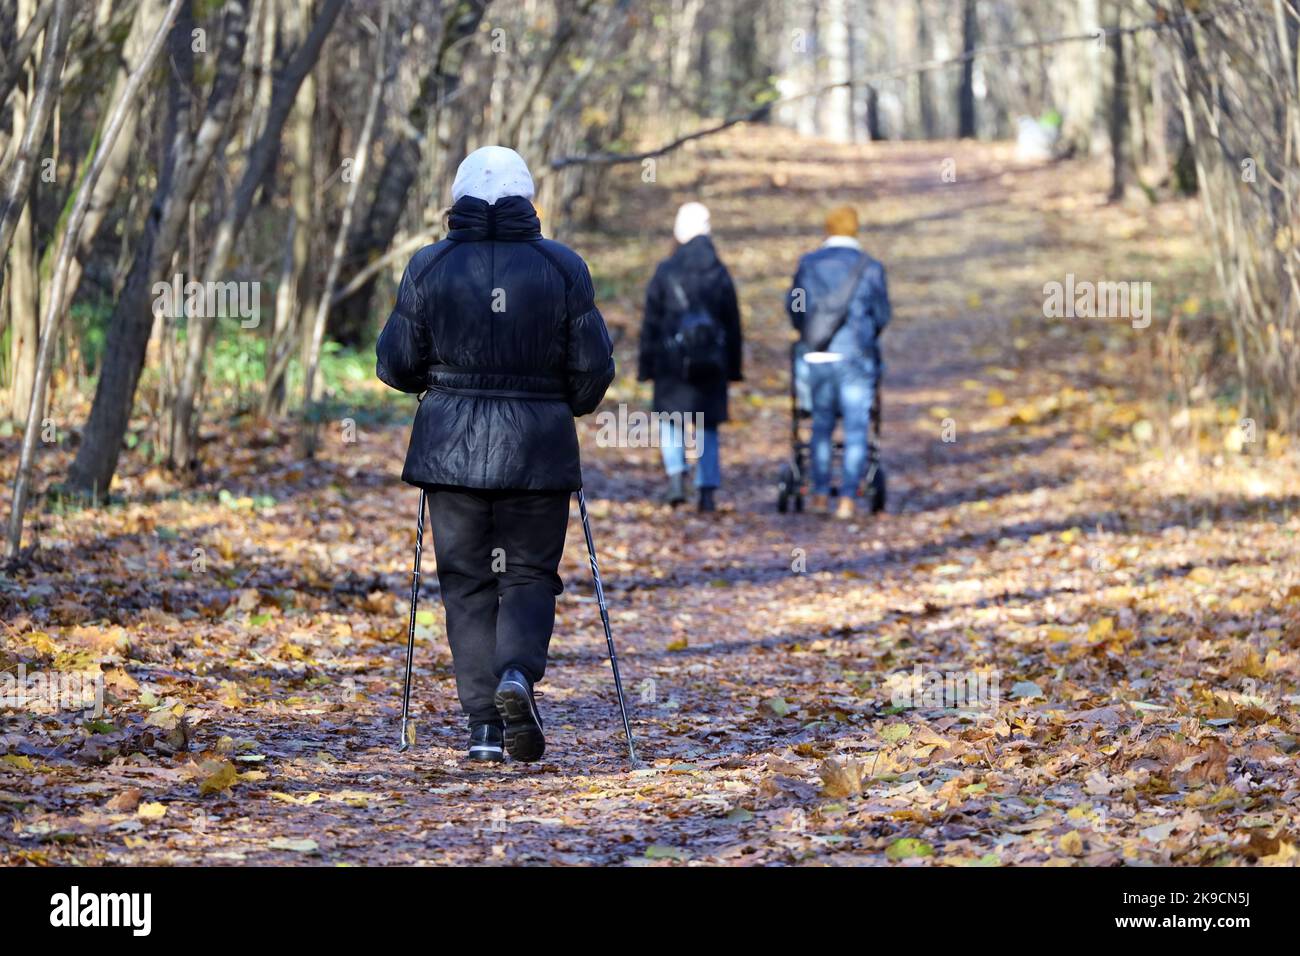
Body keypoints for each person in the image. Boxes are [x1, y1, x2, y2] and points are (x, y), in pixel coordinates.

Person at [375, 146, 614, 763]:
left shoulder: (428, 267)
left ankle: (484, 728)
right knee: (530, 574)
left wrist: (444, 379)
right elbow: (593, 369)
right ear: (526, 199)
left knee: (467, 584)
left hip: (450, 451)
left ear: (456, 200)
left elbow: (396, 364)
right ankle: (516, 676)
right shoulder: (563, 267)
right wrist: (560, 403)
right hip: (537, 450)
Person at [786, 205, 891, 520]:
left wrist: (810, 332)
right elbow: (882, 314)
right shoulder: (870, 268)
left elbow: (795, 306)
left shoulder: (808, 264)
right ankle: (847, 498)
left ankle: (819, 493)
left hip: (818, 355)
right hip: (855, 356)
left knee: (821, 424)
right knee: (857, 428)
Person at [637, 202, 743, 512]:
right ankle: (707, 488)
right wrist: (733, 368)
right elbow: (733, 324)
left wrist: (646, 366)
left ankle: (675, 478)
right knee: (708, 424)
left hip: (672, 361)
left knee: (672, 419)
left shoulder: (665, 271)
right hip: (712, 362)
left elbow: (651, 324)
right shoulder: (720, 272)